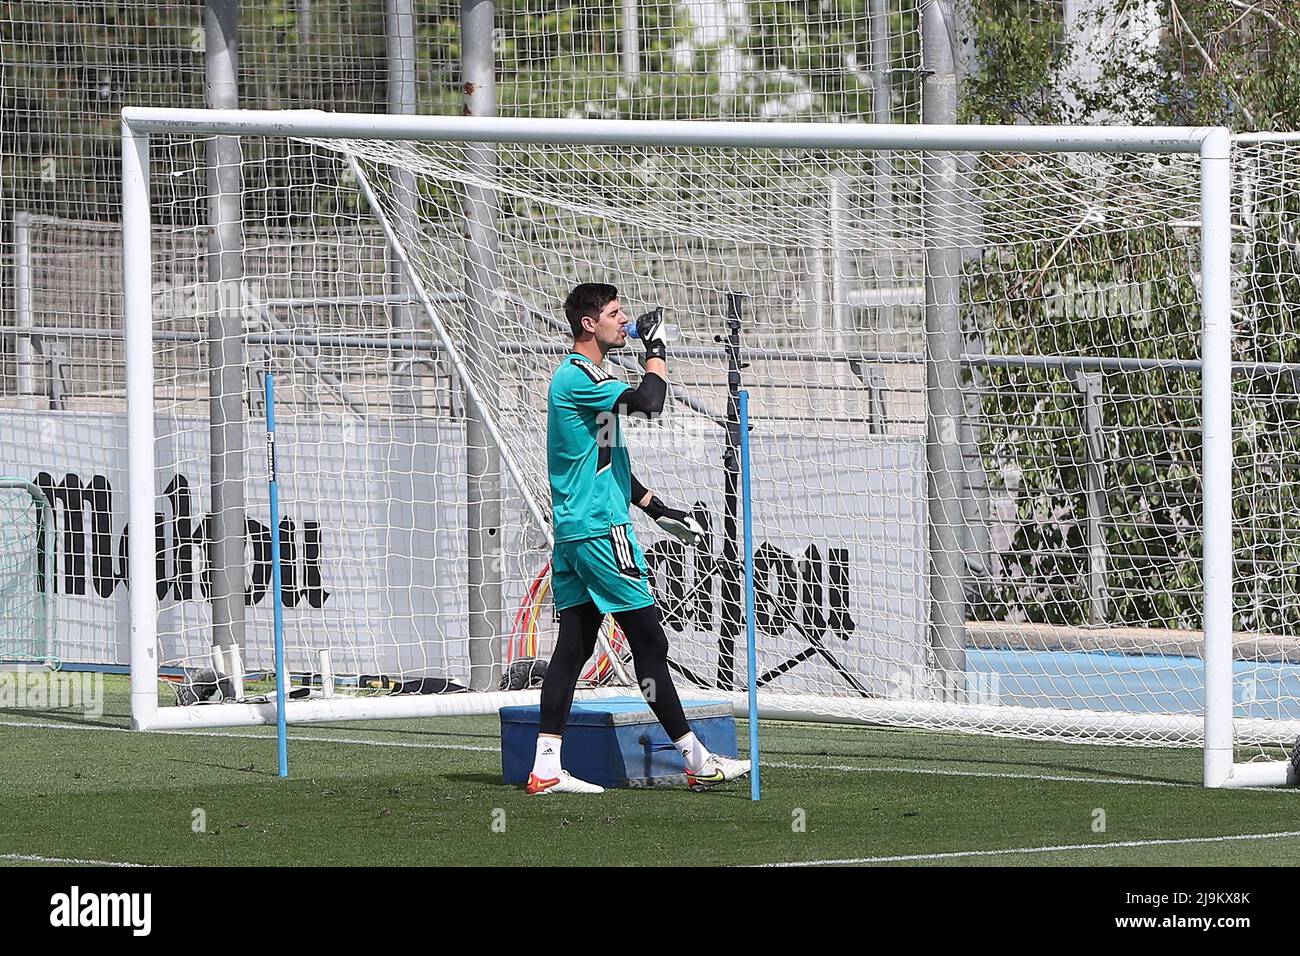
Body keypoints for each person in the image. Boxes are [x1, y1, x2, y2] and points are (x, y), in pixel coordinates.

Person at [527, 282, 752, 795]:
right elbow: (652, 403)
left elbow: (606, 464)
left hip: (578, 533)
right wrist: (656, 349)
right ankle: (696, 761)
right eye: (614, 312)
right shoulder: (579, 377)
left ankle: (545, 767)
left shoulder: (594, 382)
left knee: (575, 645)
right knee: (650, 642)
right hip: (603, 534)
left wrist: (658, 508)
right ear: (589, 324)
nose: (622, 319)